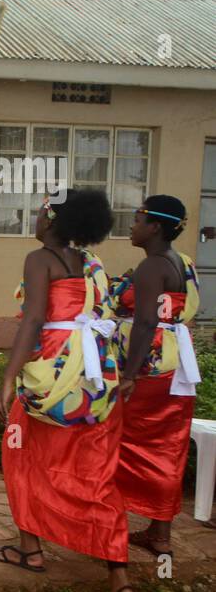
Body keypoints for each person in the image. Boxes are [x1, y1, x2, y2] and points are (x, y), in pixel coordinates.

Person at [0, 190, 133, 592]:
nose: (34, 221)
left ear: (51, 219)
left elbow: (34, 318)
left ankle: (30, 549)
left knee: (19, 453)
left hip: (53, 373)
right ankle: (120, 581)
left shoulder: (40, 259)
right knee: (96, 473)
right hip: (95, 378)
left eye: (38, 213)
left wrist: (9, 377)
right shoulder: (92, 264)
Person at [114, 196, 202, 557]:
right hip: (177, 367)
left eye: (137, 219)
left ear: (155, 227)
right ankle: (160, 534)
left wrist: (130, 374)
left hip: (149, 368)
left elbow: (147, 321)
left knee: (125, 445)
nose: (132, 226)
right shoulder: (183, 262)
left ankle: (110, 528)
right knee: (169, 448)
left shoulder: (151, 266)